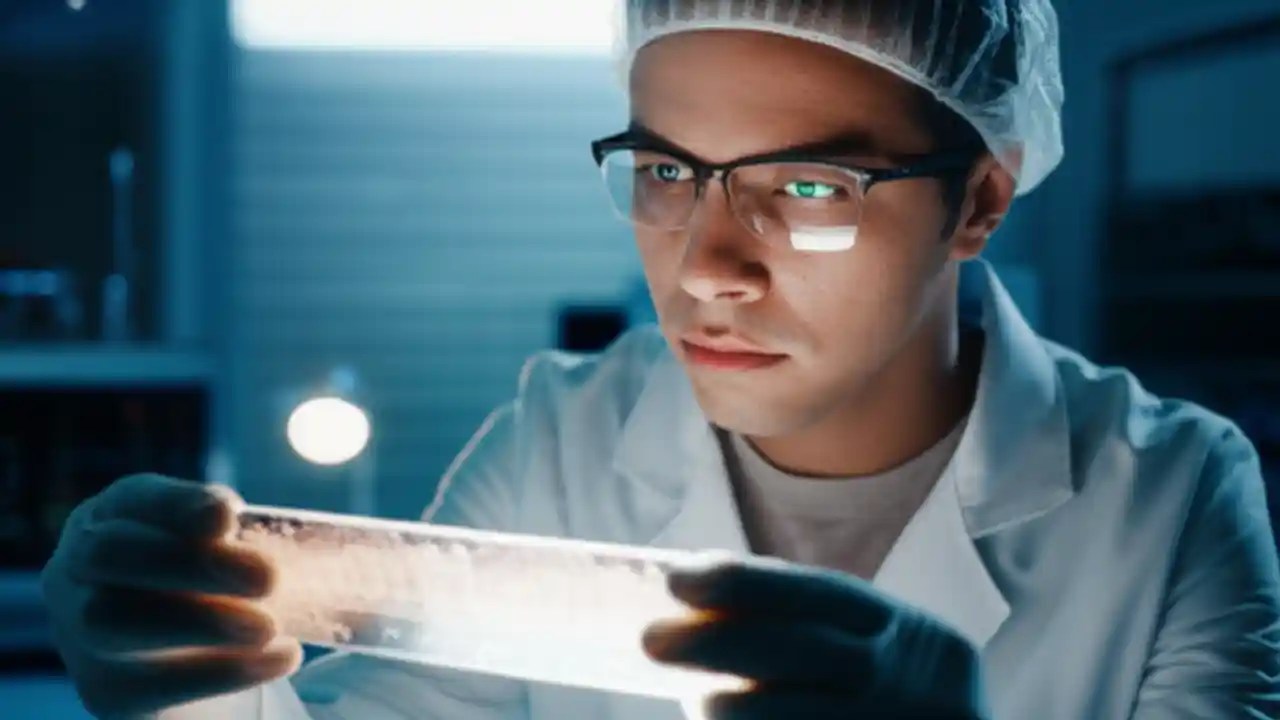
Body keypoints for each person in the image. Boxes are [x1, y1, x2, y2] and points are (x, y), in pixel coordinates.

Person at [40, 1, 1280, 718]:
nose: (704, 266)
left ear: (979, 202)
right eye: (666, 173)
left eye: (809, 184)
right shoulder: (563, 433)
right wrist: (192, 689)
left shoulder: (1166, 498)